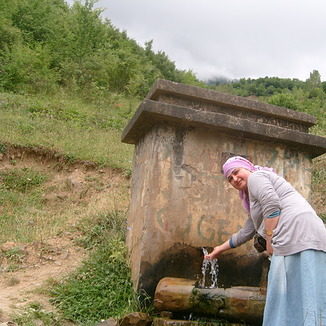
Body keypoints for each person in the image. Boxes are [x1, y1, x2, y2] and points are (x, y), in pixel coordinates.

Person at [204, 156, 326, 326]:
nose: (235, 179)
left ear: (247, 167)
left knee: (287, 290)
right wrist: (219, 249)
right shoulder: (253, 197)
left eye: (236, 172)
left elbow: (272, 205)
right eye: (229, 178)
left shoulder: (256, 177)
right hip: (306, 234)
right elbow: (246, 231)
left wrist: (269, 240)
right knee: (306, 289)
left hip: (297, 232)